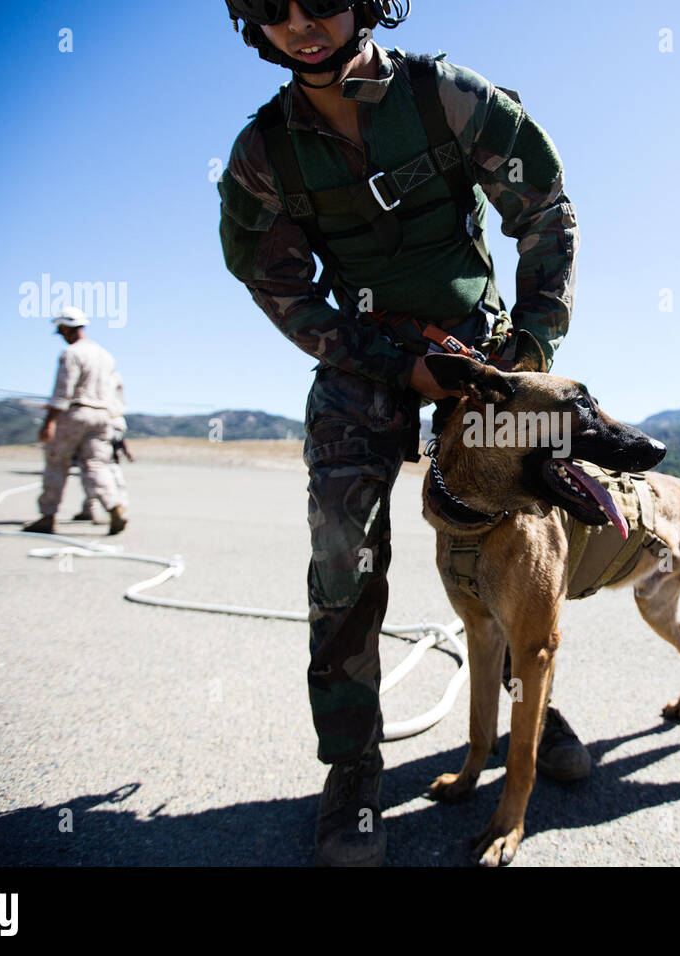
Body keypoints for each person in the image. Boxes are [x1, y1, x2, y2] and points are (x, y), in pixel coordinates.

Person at [216, 0, 584, 865]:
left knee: (516, 538)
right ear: (252, 22)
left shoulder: (444, 97)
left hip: (482, 350)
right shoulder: (263, 154)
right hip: (365, 358)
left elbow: (545, 208)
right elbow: (280, 290)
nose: (302, 21)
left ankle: (532, 698)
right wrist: (386, 363)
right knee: (344, 552)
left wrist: (526, 354)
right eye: (274, 6)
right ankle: (352, 772)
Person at [23, 307, 129, 536]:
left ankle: (48, 516)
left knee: (56, 462)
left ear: (65, 328)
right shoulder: (105, 355)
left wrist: (49, 421)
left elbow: (63, 390)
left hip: (77, 414)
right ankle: (114, 506)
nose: (60, 335)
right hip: (103, 416)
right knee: (96, 464)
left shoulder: (71, 353)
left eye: (61, 330)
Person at [73, 373, 134, 523]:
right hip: (111, 420)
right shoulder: (110, 372)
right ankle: (102, 507)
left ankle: (108, 506)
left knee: (92, 466)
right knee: (102, 466)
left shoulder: (101, 375)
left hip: (98, 417)